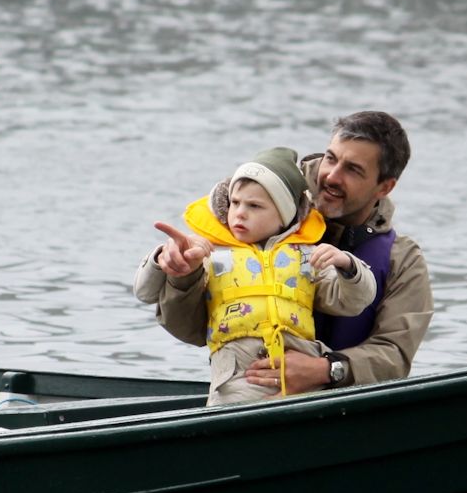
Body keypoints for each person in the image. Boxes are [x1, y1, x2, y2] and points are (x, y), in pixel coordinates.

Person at [137, 111, 432, 395]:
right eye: (330, 158)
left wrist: (325, 370)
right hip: (246, 388)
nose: (331, 176)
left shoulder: (403, 260)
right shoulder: (259, 203)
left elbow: (395, 355)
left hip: (341, 405)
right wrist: (182, 277)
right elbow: (189, 330)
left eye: (353, 169)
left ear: (385, 186)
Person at [142, 147, 375, 405]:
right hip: (237, 379)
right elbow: (145, 292)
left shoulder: (307, 258)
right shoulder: (207, 253)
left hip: (302, 376)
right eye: (235, 202)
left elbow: (355, 301)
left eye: (254, 206)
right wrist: (165, 257)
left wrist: (348, 265)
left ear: (283, 218)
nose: (240, 212)